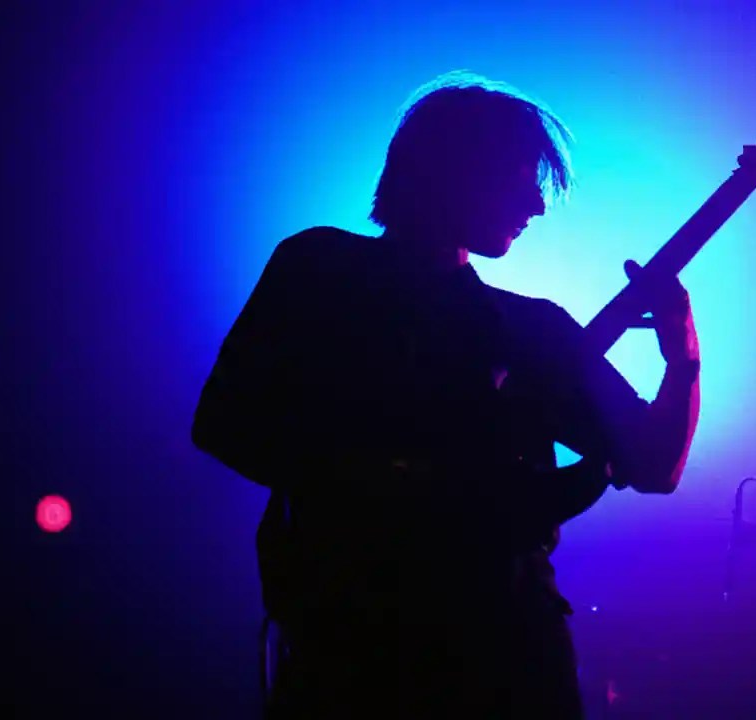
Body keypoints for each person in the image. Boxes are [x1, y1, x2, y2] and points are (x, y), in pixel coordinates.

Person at [192, 71, 701, 719]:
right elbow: (223, 421)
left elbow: (655, 466)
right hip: (354, 651)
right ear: (460, 169)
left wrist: (681, 357)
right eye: (522, 177)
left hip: (509, 652)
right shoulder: (319, 268)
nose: (536, 206)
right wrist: (407, 478)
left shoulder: (533, 326)